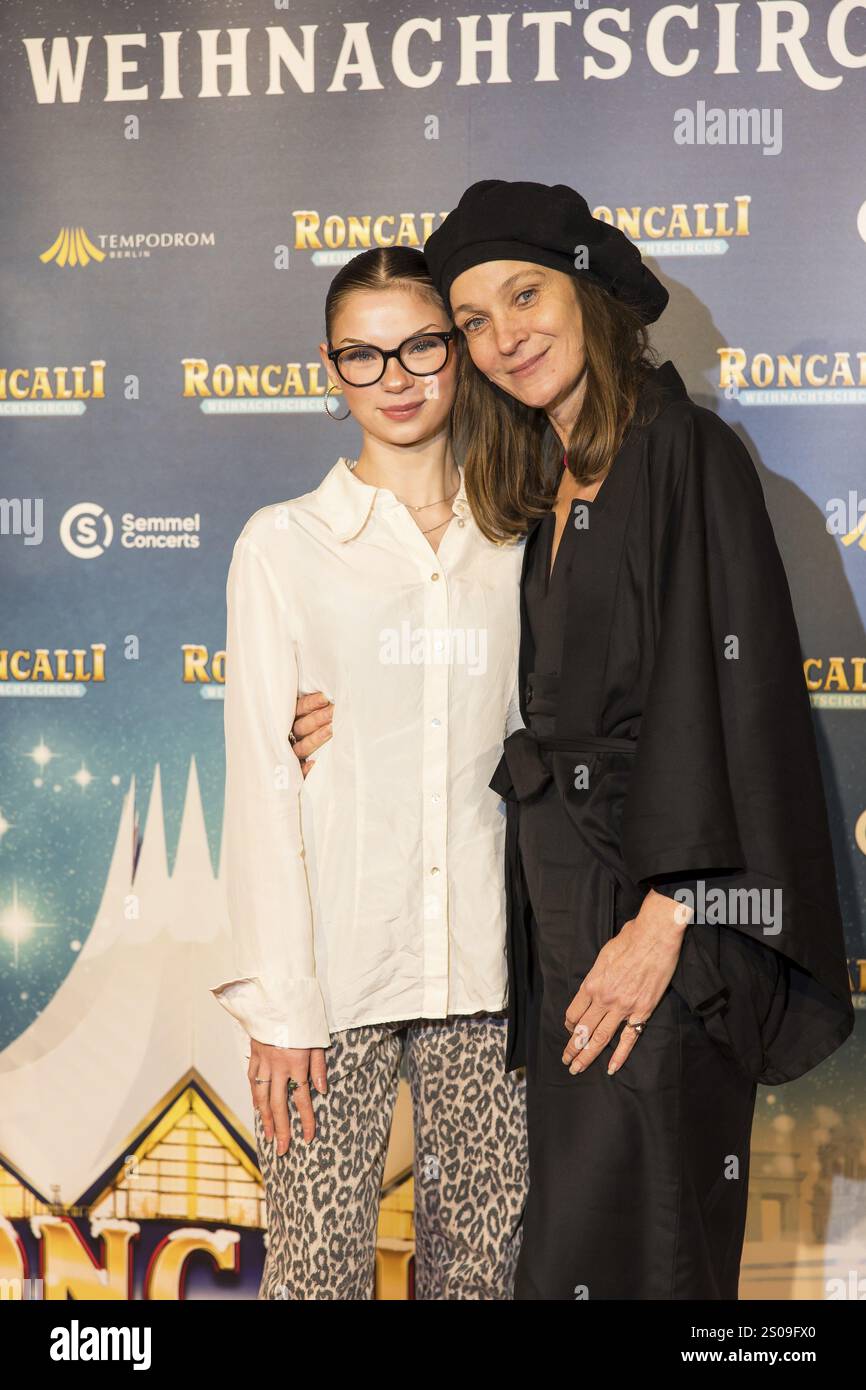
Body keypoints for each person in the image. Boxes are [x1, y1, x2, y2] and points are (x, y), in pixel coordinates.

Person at [293, 181, 854, 1300]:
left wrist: (667, 917)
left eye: (524, 294)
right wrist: (344, 719)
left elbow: (725, 698)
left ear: (587, 290)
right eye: (474, 322)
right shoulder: (528, 485)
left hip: (657, 925)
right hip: (550, 929)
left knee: (650, 1245)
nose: (504, 338)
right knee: (560, 1257)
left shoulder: (684, 452)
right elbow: (492, 688)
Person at [210, 246, 529, 1301]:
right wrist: (280, 1006)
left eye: (419, 345)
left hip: (490, 972)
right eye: (362, 353)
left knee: (477, 1276)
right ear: (327, 368)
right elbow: (259, 781)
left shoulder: (518, 536)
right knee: (314, 1277)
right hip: (332, 978)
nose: (394, 376)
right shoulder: (282, 546)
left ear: (458, 350)